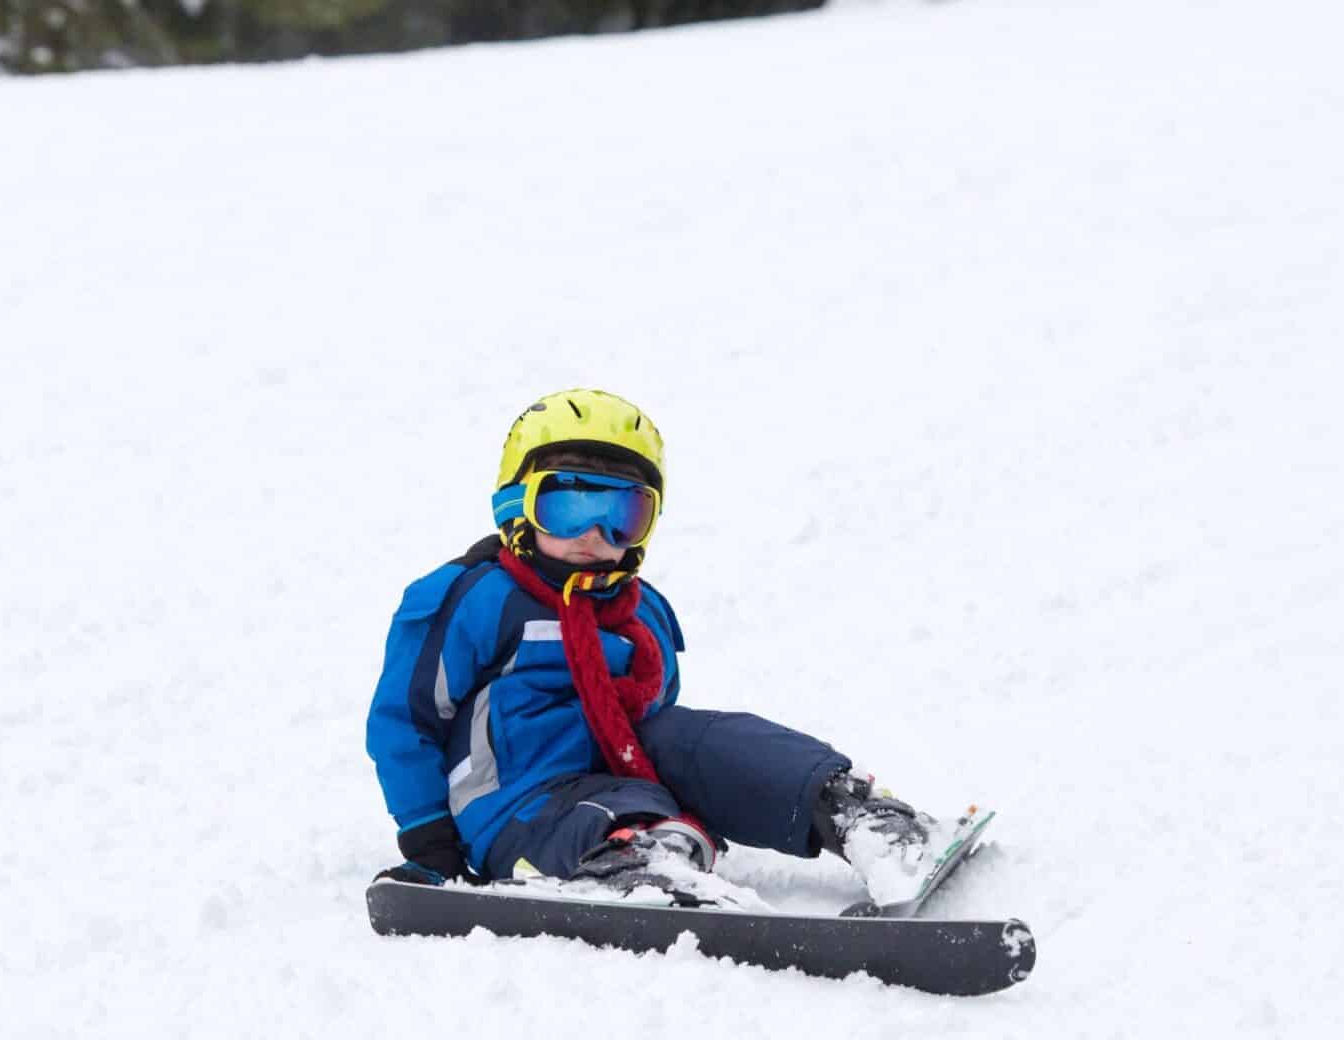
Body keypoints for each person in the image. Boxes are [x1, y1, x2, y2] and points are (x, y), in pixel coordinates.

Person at [364, 388, 948, 905]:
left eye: (623, 514)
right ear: (518, 504)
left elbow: (658, 714)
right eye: (568, 508)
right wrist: (429, 843)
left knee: (697, 736)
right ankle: (641, 859)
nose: (595, 536)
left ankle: (851, 812)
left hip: (625, 780)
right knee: (626, 807)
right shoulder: (473, 598)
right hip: (514, 808)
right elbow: (404, 723)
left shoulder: (641, 612)